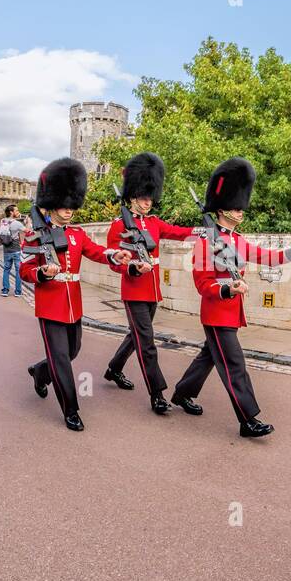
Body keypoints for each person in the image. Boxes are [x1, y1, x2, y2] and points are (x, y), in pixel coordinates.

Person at [170, 157, 291, 438]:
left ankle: (182, 393)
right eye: (237, 207)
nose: (241, 211)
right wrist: (228, 290)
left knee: (208, 357)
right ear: (223, 209)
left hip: (231, 313)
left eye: (241, 206)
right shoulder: (204, 242)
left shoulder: (238, 241)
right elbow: (202, 284)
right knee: (235, 365)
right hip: (215, 314)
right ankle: (248, 419)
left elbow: (267, 257)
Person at [20, 157, 132, 432]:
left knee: (72, 351)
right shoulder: (35, 235)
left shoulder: (77, 235)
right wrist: (42, 273)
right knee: (61, 359)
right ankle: (71, 409)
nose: (68, 210)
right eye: (63, 205)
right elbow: (25, 269)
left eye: (71, 205)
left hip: (73, 304)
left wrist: (115, 254)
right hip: (49, 305)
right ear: (51, 204)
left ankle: (39, 372)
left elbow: (96, 251)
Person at [102, 152, 200, 415]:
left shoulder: (154, 223)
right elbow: (113, 260)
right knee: (147, 342)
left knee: (136, 337)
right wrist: (132, 266)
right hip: (133, 290)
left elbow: (178, 233)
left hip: (152, 291)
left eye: (150, 197)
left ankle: (113, 369)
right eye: (143, 197)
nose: (147, 202)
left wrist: (205, 231)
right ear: (132, 196)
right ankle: (157, 393)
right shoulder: (118, 225)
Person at [0, 204, 32, 298]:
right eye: (16, 210)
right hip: (16, 250)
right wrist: (28, 221)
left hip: (6, 250)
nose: (18, 212)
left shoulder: (2, 221)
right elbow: (28, 231)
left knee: (6, 270)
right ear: (11, 212)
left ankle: (5, 290)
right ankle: (18, 292)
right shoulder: (16, 223)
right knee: (18, 271)